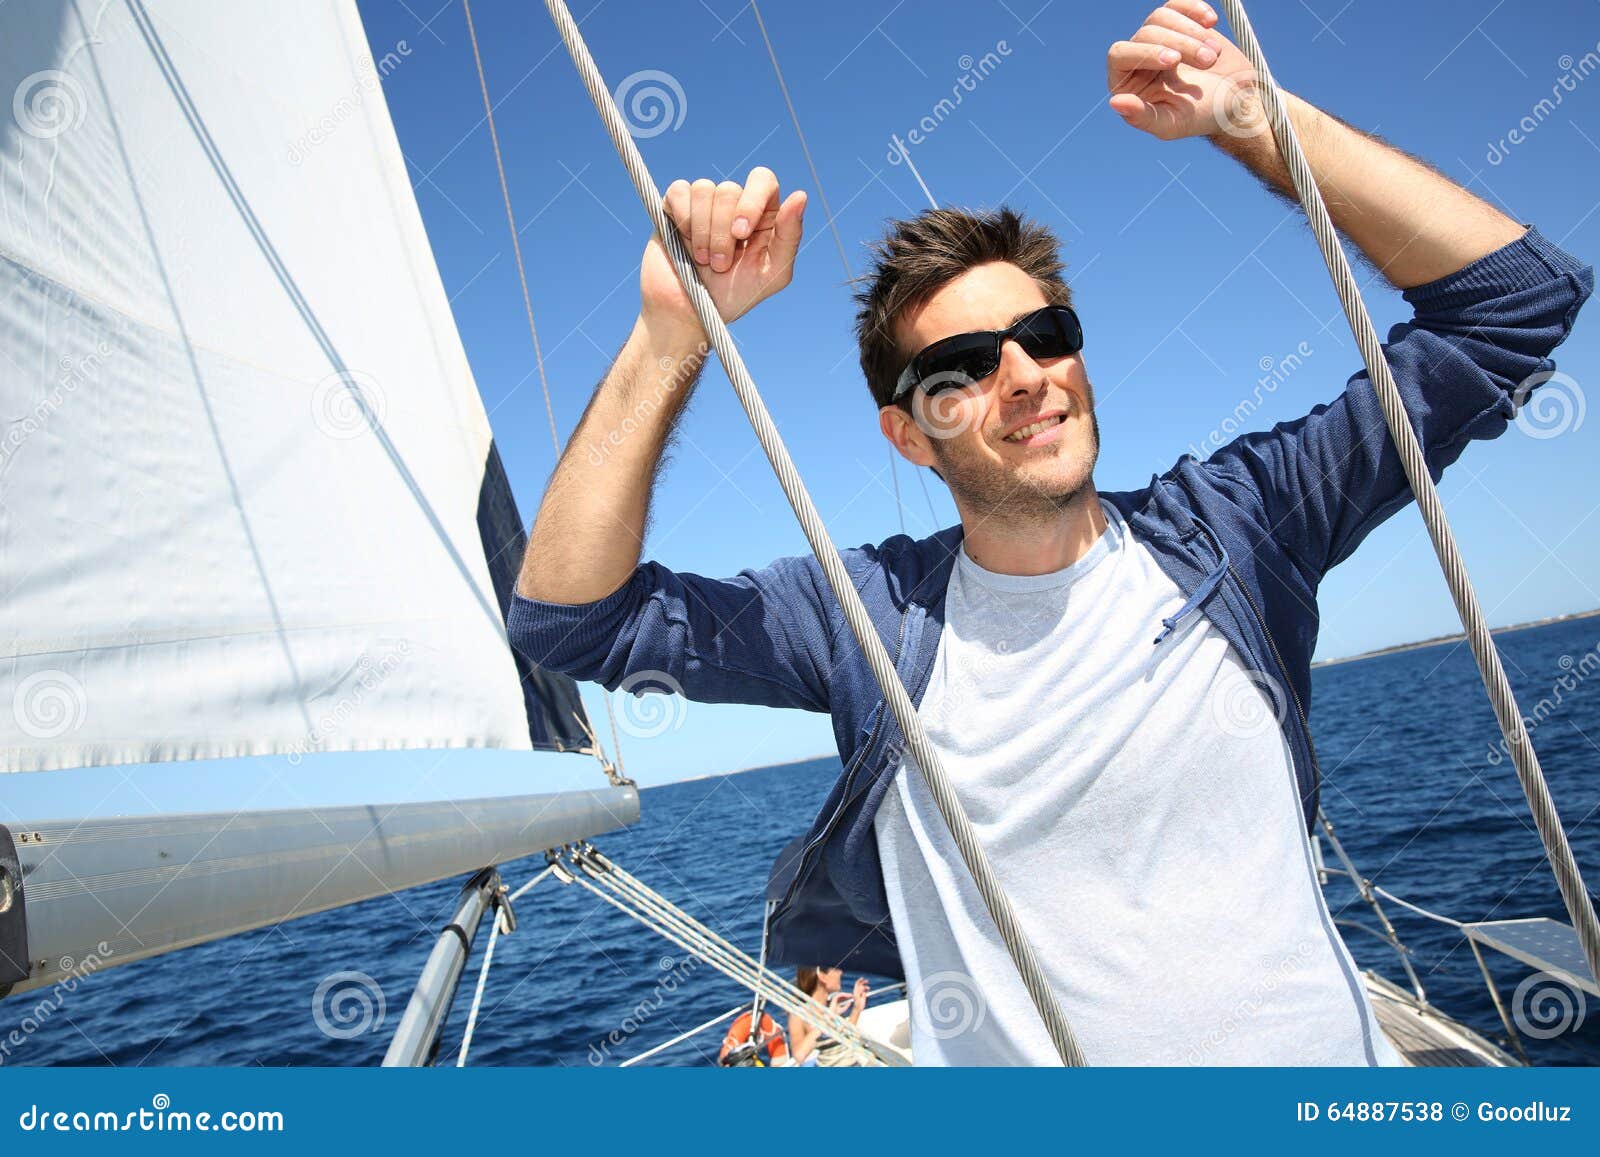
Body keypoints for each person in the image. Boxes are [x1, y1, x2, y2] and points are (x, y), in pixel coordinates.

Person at [509, 1, 1592, 1064]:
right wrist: (668, 339)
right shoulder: (860, 622)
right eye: (962, 367)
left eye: (1043, 333)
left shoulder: (1236, 527)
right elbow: (569, 619)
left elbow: (1514, 305)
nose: (1022, 374)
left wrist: (1256, 119)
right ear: (908, 436)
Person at [788, 967, 869, 1067]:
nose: (840, 972)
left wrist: (857, 1008)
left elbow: (846, 1039)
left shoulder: (831, 1005)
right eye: (835, 969)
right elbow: (799, 1056)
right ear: (822, 976)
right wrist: (828, 1018)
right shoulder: (800, 1014)